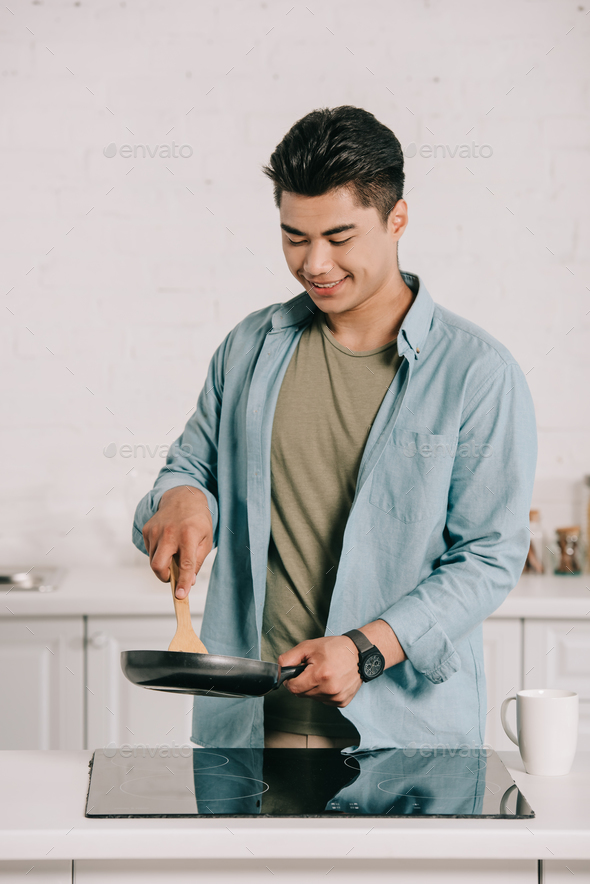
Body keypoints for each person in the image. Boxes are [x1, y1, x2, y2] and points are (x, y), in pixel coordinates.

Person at [133, 105, 537, 753]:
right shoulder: (250, 347)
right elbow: (186, 471)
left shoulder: (477, 373)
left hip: (405, 738)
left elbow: (488, 557)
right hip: (249, 729)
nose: (315, 263)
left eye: (340, 238)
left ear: (396, 219)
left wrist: (365, 651)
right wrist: (178, 496)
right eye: (295, 237)